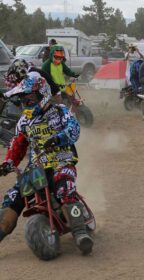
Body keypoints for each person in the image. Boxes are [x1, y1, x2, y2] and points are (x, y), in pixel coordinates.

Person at [0, 73, 94, 254]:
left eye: (30, 98)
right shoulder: (24, 122)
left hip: (61, 161)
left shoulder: (59, 111)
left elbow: (74, 130)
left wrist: (58, 138)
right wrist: (8, 163)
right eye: (23, 99)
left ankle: (80, 234)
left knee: (64, 188)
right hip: (37, 167)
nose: (26, 103)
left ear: (42, 94)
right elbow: (17, 145)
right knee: (13, 196)